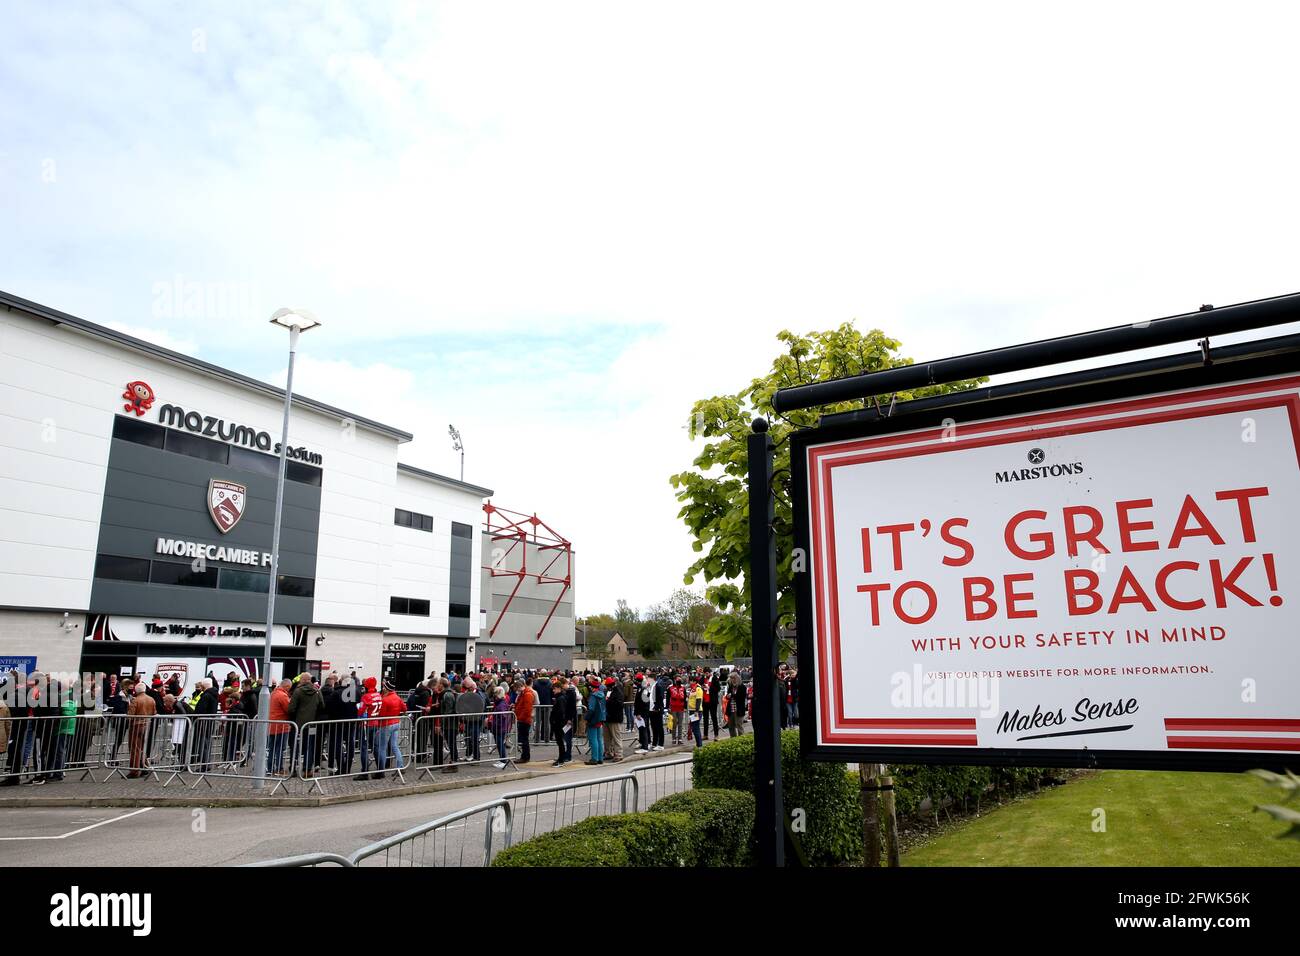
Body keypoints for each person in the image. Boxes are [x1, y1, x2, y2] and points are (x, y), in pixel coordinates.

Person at [288, 672, 324, 778]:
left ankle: (293, 768)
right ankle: (307, 770)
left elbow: (291, 708)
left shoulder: (298, 691)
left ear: (303, 680)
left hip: (298, 725)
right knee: (310, 746)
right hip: (311, 724)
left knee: (295, 746)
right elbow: (322, 706)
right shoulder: (317, 691)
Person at [373, 681, 405, 779]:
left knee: (382, 748)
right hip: (396, 723)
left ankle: (381, 771)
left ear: (386, 688)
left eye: (384, 687)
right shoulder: (398, 697)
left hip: (386, 724)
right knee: (394, 746)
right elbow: (404, 708)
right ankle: (400, 766)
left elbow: (381, 714)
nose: (383, 688)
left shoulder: (385, 700)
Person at [126, 683, 156, 778]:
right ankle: (144, 766)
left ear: (136, 691)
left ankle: (135, 771)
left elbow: (130, 715)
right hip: (147, 725)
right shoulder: (151, 699)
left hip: (136, 726)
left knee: (135, 748)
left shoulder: (136, 700)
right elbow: (154, 712)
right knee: (143, 748)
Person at [455, 678, 485, 763]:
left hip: (476, 720)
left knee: (474, 739)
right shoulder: (471, 693)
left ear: (471, 687)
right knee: (468, 738)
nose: (466, 689)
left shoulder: (479, 694)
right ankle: (468, 754)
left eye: (467, 688)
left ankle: (476, 758)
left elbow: (481, 707)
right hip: (469, 720)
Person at [267, 678, 293, 775]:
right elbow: (289, 709)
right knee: (280, 749)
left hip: (272, 726)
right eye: (289, 688)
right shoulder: (282, 695)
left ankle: (270, 768)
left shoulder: (273, 693)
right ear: (287, 686)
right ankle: (279, 768)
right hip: (281, 726)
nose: (289, 690)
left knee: (272, 749)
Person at [550, 676, 575, 766]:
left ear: (559, 688)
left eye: (555, 689)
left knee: (560, 741)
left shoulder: (561, 698)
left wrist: (556, 721)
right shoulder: (561, 697)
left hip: (559, 723)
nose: (553, 691)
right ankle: (562, 758)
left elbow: (561, 712)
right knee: (560, 741)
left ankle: (561, 759)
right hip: (559, 723)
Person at [513, 677, 536, 765]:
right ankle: (525, 756)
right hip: (523, 719)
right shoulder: (524, 693)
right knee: (524, 739)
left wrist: (519, 718)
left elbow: (527, 709)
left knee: (524, 740)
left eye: (517, 689)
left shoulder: (527, 694)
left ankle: (525, 757)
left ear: (520, 687)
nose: (517, 691)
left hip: (524, 720)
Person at [584, 677, 606, 765]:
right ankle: (600, 758)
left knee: (593, 740)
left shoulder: (593, 696)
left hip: (593, 719)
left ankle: (594, 758)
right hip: (600, 718)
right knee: (599, 739)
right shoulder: (602, 695)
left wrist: (586, 718)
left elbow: (591, 709)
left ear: (591, 687)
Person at [439, 678, 460, 771]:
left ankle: (454, 763)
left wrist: (442, 723)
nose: (437, 686)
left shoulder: (447, 695)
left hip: (450, 724)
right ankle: (453, 762)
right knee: (451, 743)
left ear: (441, 685)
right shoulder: (447, 694)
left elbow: (448, 710)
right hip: (450, 723)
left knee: (452, 744)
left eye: (438, 684)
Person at [490, 685, 512, 769]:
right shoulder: (500, 702)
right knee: (499, 744)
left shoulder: (501, 704)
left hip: (500, 727)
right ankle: (502, 759)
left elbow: (503, 716)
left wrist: (497, 724)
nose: (494, 695)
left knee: (500, 744)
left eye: (495, 693)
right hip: (499, 727)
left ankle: (503, 761)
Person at [603, 677, 624, 762]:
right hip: (607, 718)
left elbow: (619, 704)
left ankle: (619, 754)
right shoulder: (607, 692)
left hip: (615, 718)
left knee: (616, 738)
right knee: (607, 738)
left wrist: (607, 702)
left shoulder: (618, 692)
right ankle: (608, 752)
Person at [725, 669, 746, 737]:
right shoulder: (731, 686)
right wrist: (728, 696)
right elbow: (728, 695)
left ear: (737, 678)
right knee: (731, 726)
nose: (732, 680)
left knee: (739, 726)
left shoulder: (742, 687)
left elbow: (741, 698)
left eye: (733, 678)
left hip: (739, 709)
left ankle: (741, 740)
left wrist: (732, 695)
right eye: (731, 678)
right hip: (731, 709)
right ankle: (733, 740)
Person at [668, 677, 686, 744]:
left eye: (679, 681)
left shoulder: (683, 688)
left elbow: (685, 697)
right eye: (677, 681)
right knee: (674, 724)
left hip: (681, 708)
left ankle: (680, 739)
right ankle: (673, 738)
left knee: (680, 724)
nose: (678, 683)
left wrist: (685, 707)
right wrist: (668, 707)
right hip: (673, 708)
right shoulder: (670, 688)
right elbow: (667, 698)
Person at [688, 676, 704, 748]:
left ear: (694, 681)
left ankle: (699, 745)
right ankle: (698, 744)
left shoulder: (698, 689)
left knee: (695, 728)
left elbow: (698, 700)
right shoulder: (692, 689)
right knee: (694, 728)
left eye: (690, 681)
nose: (689, 682)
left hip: (696, 711)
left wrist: (696, 711)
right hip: (692, 710)